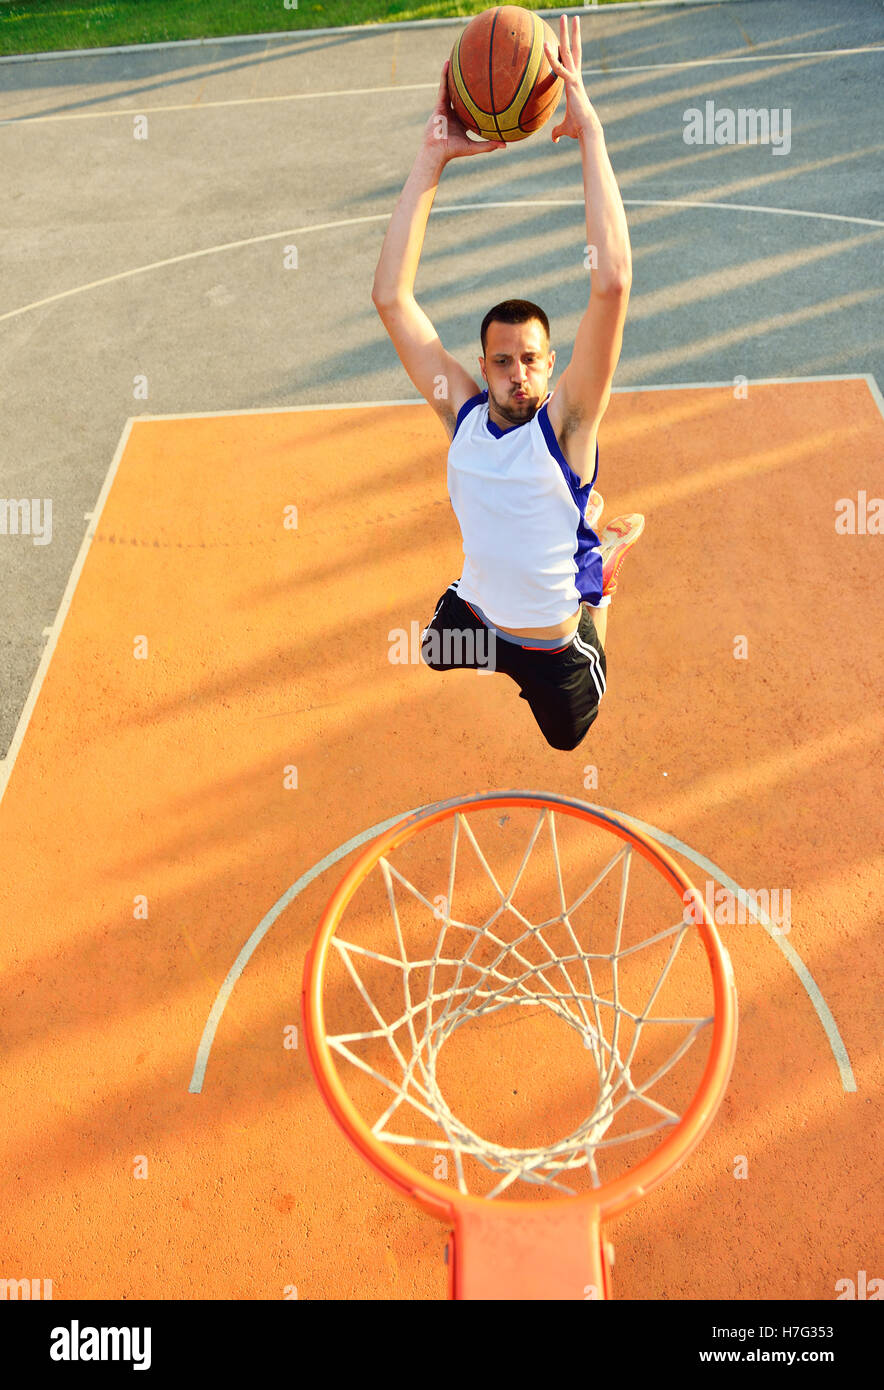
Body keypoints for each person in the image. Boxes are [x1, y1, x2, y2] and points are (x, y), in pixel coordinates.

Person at [371, 15, 643, 751]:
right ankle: (577, 555)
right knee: (433, 650)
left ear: (551, 368)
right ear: (481, 364)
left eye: (531, 359)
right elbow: (393, 300)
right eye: (502, 360)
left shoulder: (567, 430)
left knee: (570, 737)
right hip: (482, 621)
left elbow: (612, 283)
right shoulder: (459, 414)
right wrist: (430, 158)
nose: (517, 372)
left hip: (555, 648)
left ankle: (600, 576)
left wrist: (592, 137)